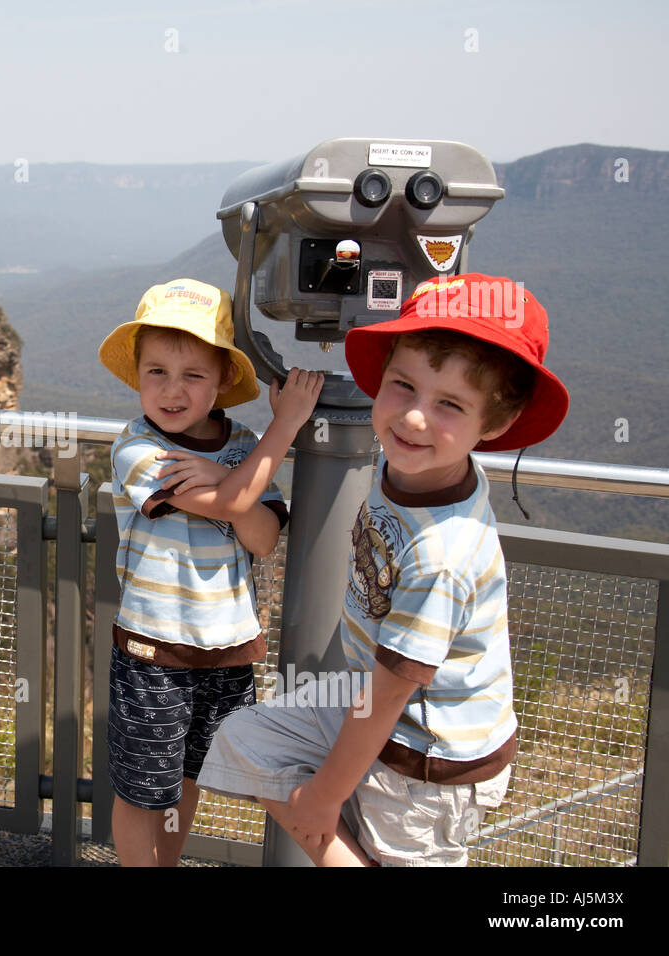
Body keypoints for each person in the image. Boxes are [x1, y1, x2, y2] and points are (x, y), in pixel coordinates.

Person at [197, 273, 570, 866]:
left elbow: (393, 690)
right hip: (364, 700)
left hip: (428, 756)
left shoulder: (442, 557)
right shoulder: (413, 469)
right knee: (246, 739)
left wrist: (324, 795)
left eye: (450, 405)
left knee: (341, 812)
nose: (414, 418)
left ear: (493, 426)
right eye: (403, 387)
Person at [97, 278, 323, 865]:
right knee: (142, 790)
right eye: (157, 373)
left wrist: (224, 477)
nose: (172, 391)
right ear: (137, 375)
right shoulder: (137, 446)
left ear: (223, 380)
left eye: (193, 375)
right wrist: (286, 426)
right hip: (153, 651)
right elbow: (229, 509)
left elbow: (264, 536)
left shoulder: (244, 443)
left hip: (227, 651)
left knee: (190, 781)